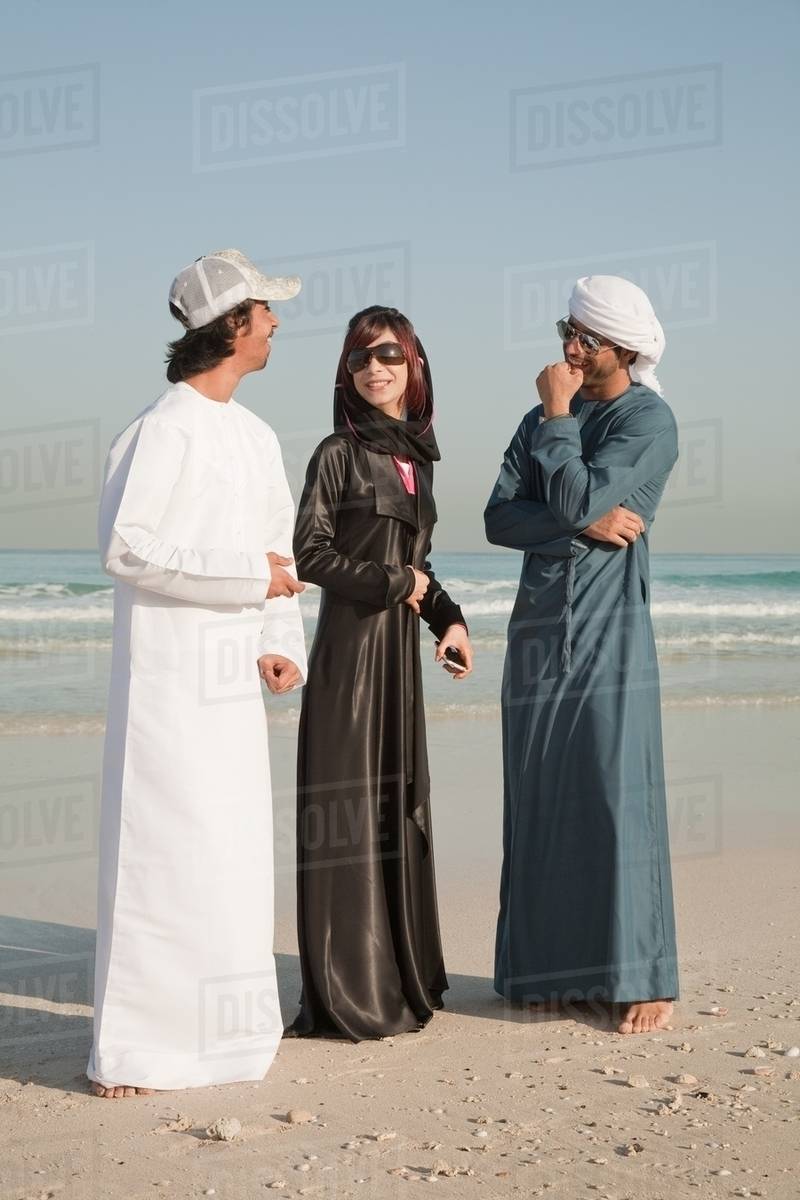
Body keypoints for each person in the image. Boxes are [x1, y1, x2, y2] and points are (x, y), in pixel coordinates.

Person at [88, 249, 307, 1097]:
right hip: (166, 679)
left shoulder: (255, 437)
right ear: (233, 326)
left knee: (229, 850)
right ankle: (137, 1051)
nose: (277, 323)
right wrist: (254, 580)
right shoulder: (160, 428)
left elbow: (277, 551)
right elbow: (129, 547)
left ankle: (228, 1037)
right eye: (265, 310)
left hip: (228, 685)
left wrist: (276, 632)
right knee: (160, 850)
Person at [486, 275, 679, 1036]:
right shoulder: (540, 417)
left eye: (586, 338)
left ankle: (643, 979)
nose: (570, 348)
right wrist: (585, 524)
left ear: (623, 348)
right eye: (567, 330)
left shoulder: (649, 420)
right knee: (539, 798)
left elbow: (567, 495)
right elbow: (500, 517)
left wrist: (561, 422)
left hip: (609, 633)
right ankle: (546, 974)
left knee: (613, 793)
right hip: (536, 629)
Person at [289, 305, 473, 1041]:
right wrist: (402, 588)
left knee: (398, 809)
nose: (374, 369)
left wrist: (448, 618)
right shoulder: (338, 451)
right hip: (349, 656)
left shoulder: (417, 458)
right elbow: (310, 556)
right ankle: (347, 995)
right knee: (346, 818)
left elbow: (420, 567)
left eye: (389, 355)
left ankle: (399, 975)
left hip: (398, 659)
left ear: (415, 366)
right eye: (360, 359)